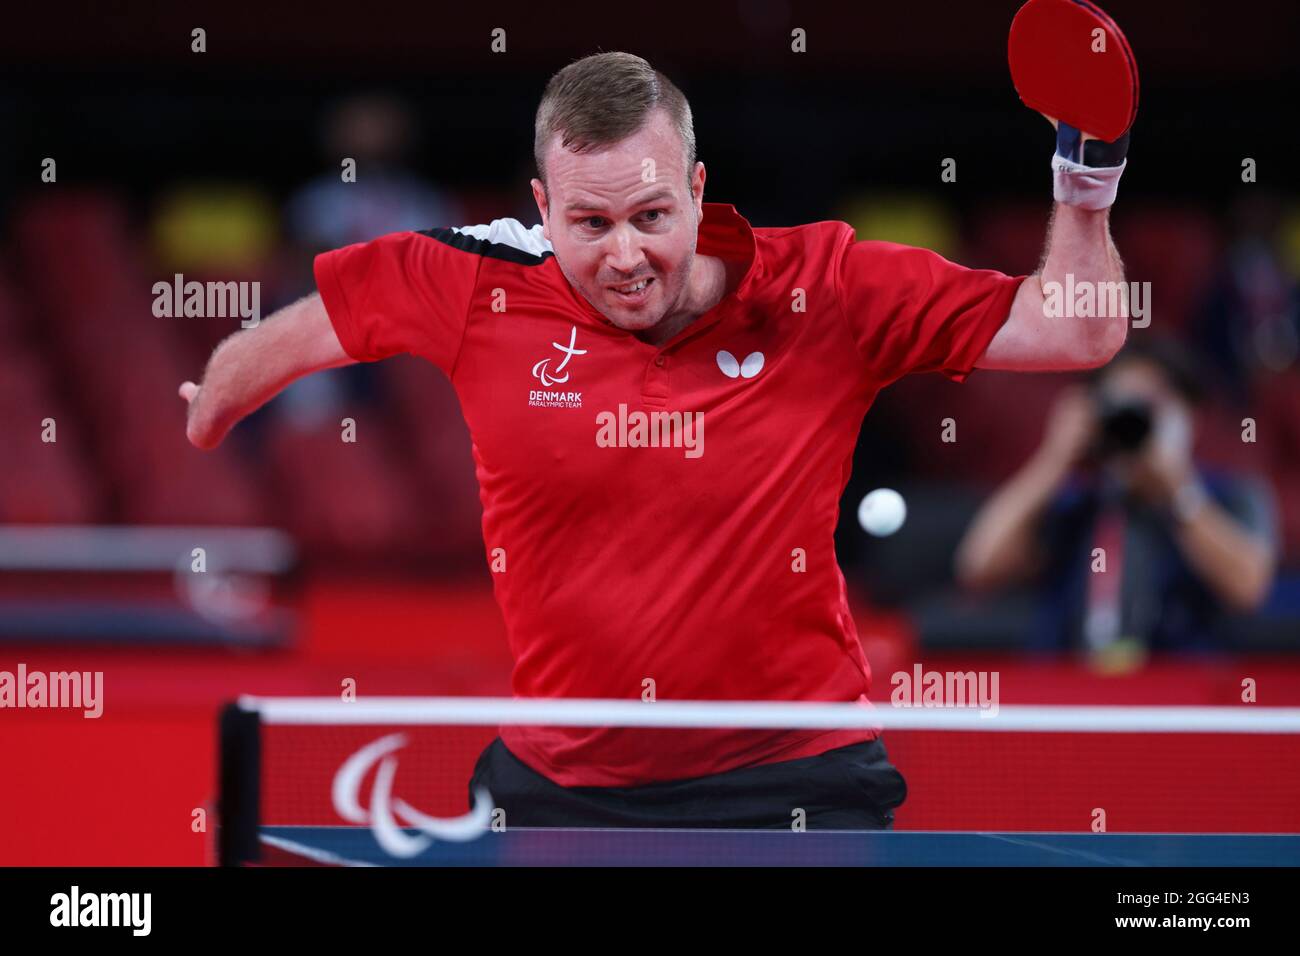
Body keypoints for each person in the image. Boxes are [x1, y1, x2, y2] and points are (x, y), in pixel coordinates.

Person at [180, 51, 1129, 828]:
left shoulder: (828, 285)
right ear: (541, 209)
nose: (625, 257)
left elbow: (1075, 328)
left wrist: (1085, 182)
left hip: (798, 781)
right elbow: (303, 329)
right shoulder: (475, 280)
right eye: (589, 223)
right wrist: (213, 402)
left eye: (651, 217)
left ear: (697, 187)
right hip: (561, 792)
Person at [955, 339, 1278, 662]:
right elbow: (978, 567)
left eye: (1149, 410)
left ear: (1187, 418)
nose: (1133, 428)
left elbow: (1249, 588)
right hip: (1073, 690)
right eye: (1121, 409)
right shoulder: (1076, 503)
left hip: (1181, 694)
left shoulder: (1227, 497)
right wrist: (1055, 458)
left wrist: (1178, 495)